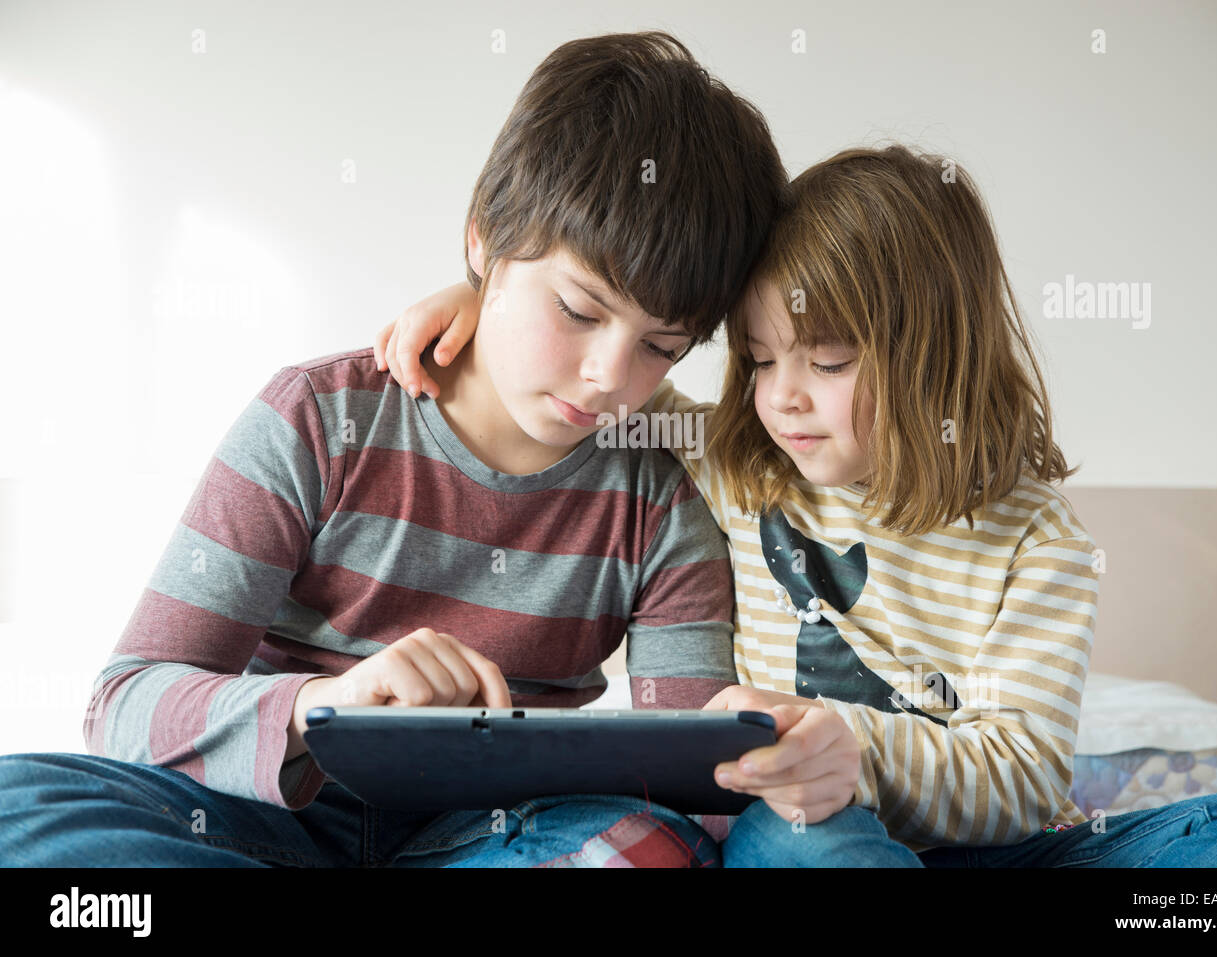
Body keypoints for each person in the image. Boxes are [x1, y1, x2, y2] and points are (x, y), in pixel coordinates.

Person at [373, 143, 1217, 866]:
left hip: (999, 851)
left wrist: (855, 748)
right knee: (797, 839)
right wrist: (485, 299)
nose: (782, 397)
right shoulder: (740, 463)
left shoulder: (1037, 541)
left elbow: (1021, 776)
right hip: (809, 835)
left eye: (826, 361)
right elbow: (597, 385)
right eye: (759, 359)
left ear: (934, 355)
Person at [0, 30, 790, 868]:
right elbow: (125, 703)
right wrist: (326, 707)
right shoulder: (317, 418)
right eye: (577, 309)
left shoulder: (661, 505)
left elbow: (691, 782)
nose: (608, 377)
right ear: (484, 239)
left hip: (495, 837)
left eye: (662, 348)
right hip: (270, 816)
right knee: (21, 805)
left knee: (645, 846)